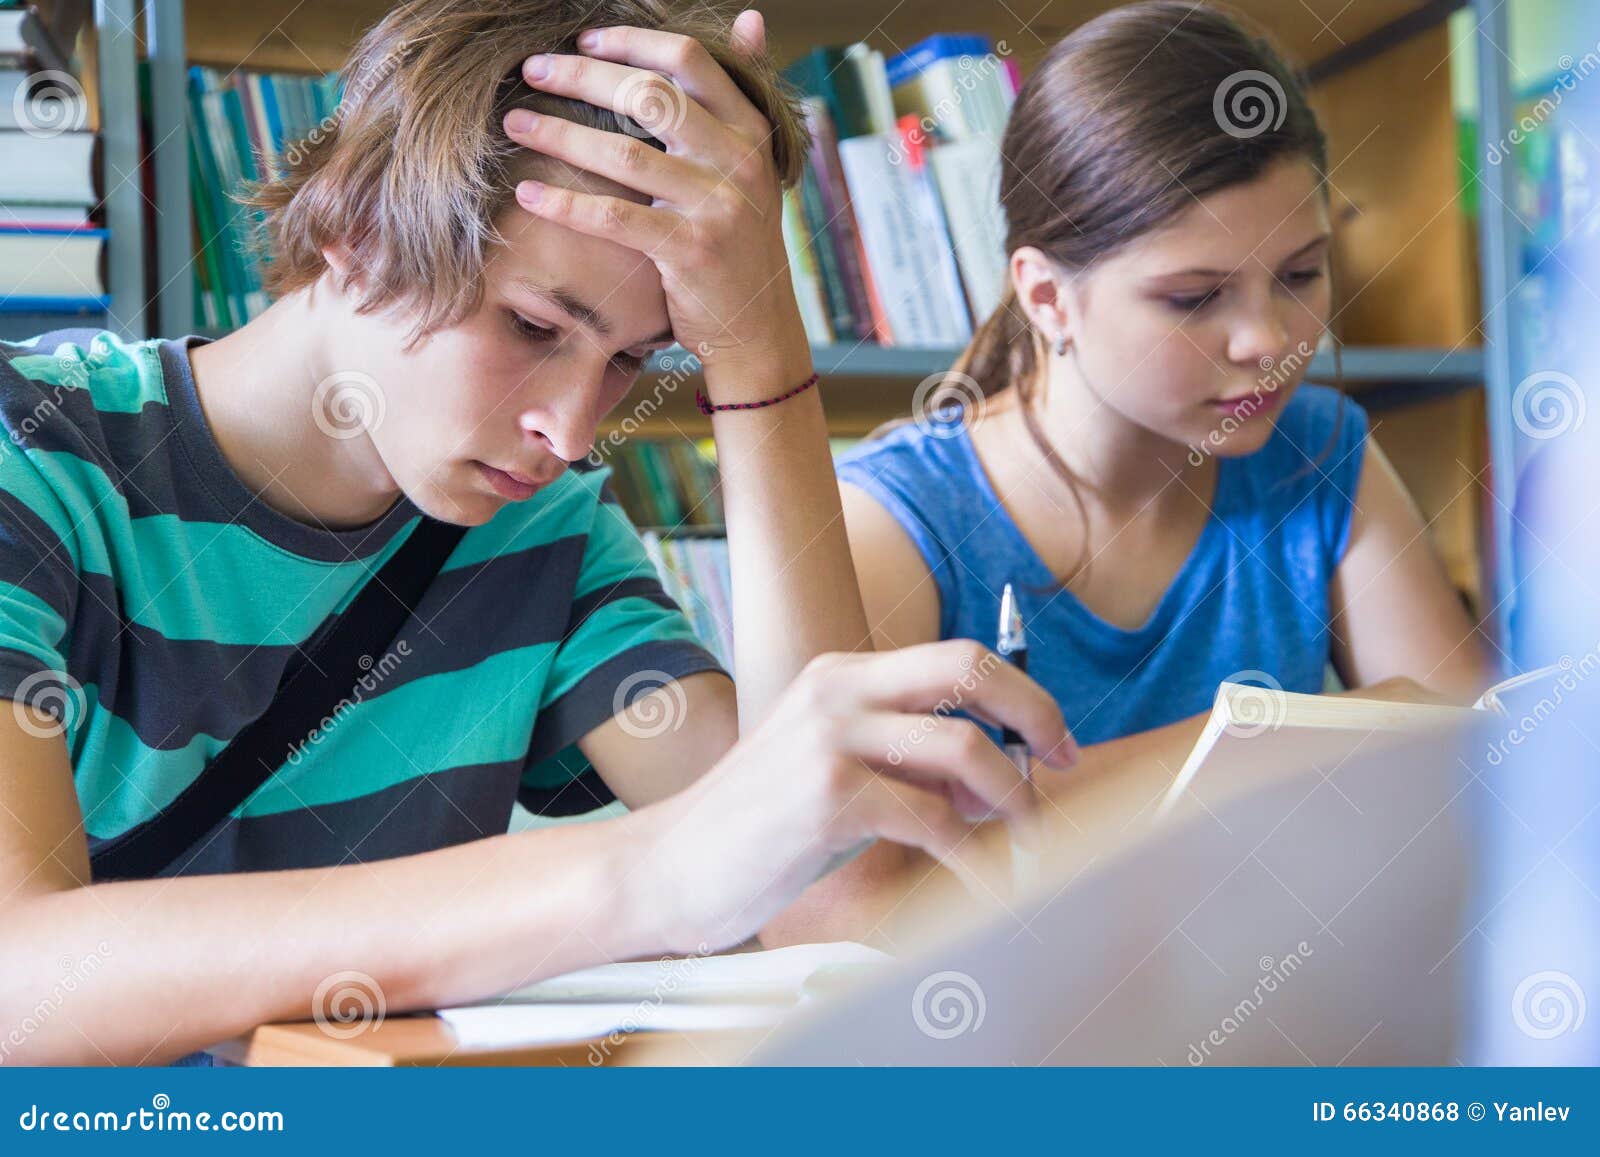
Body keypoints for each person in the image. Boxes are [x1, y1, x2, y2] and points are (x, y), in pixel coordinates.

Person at [0, 0, 1071, 1065]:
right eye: (533, 326)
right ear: (357, 230)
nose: (571, 430)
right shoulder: (31, 455)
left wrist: (757, 351)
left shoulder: (544, 527)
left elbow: (833, 896)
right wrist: (651, 870)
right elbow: (17, 975)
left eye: (630, 361)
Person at [825, 1, 1494, 908]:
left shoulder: (1321, 450)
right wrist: (1301, 741)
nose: (1268, 340)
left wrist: (1031, 801)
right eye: (1193, 297)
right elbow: (843, 899)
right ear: (1047, 297)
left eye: (1300, 274)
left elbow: (1479, 776)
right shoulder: (892, 519)